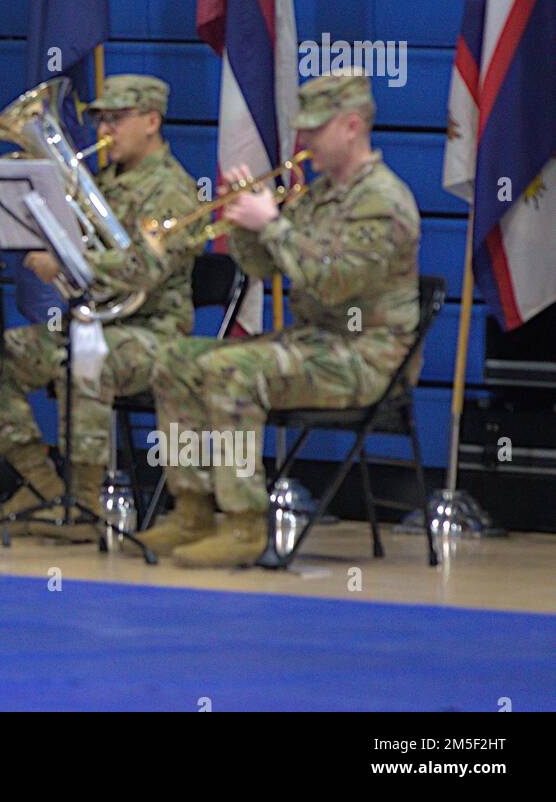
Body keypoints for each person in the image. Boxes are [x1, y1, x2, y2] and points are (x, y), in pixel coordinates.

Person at [143, 70, 421, 568]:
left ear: (352, 126)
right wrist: (246, 224)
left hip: (365, 356)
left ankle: (245, 524)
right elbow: (264, 267)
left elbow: (334, 281)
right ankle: (192, 509)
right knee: (174, 359)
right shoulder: (319, 194)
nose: (305, 139)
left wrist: (271, 224)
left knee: (233, 371)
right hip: (313, 343)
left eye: (317, 128)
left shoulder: (382, 199)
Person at [0, 75, 200, 538]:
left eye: (117, 118)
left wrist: (70, 259)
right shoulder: (102, 181)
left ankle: (85, 505)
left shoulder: (173, 189)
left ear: (152, 121)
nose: (105, 128)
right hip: (94, 324)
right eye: (101, 118)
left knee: (85, 359)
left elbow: (147, 267)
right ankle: (45, 486)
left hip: (153, 335)